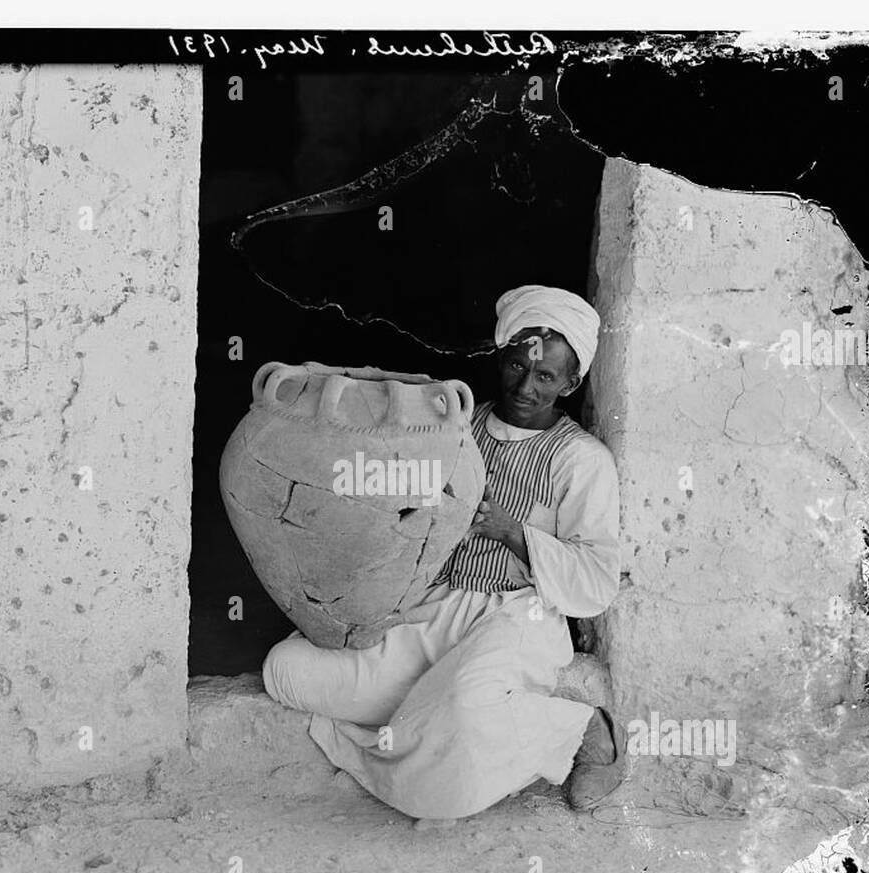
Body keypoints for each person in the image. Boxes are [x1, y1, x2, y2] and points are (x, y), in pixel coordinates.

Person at [262, 285, 623, 821]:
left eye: (546, 376)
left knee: (464, 716)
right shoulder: (455, 425)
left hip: (513, 616)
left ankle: (584, 730)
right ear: (501, 358)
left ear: (571, 382)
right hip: (433, 602)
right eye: (518, 367)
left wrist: (513, 533)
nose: (526, 386)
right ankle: (437, 708)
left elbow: (596, 582)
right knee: (286, 670)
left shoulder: (582, 459)